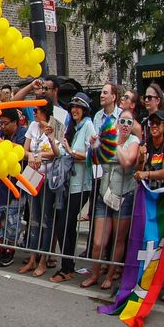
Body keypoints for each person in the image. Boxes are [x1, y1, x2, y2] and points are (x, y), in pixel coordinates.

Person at [51, 94, 97, 283]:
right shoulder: (71, 127)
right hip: (68, 186)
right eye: (72, 106)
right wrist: (50, 138)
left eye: (78, 107)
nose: (74, 110)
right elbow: (60, 152)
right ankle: (67, 267)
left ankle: (67, 267)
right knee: (65, 226)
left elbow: (92, 154)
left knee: (64, 225)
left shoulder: (88, 125)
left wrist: (71, 152)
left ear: (85, 109)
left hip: (82, 185)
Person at [93, 108, 140, 291]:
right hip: (104, 195)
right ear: (117, 122)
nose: (126, 125)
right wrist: (95, 145)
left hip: (124, 197)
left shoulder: (133, 141)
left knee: (118, 240)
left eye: (130, 122)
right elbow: (97, 159)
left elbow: (127, 161)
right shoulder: (109, 138)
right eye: (123, 121)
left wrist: (116, 143)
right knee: (99, 242)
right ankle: (95, 274)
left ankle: (110, 276)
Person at [21, 104, 65, 278]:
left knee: (46, 220)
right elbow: (25, 149)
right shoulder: (32, 126)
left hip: (48, 179)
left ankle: (43, 261)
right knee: (33, 218)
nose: (34, 113)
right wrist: (31, 155)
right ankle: (32, 258)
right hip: (32, 176)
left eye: (37, 111)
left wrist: (43, 152)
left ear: (45, 112)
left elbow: (57, 153)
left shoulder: (54, 125)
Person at [0, 108, 27, 267]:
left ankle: (9, 250)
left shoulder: (23, 134)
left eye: (5, 123)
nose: (2, 126)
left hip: (16, 187)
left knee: (12, 222)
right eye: (0, 123)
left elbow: (23, 152)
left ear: (15, 123)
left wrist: (3, 144)